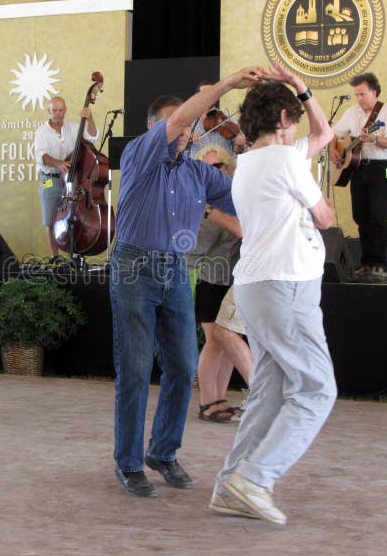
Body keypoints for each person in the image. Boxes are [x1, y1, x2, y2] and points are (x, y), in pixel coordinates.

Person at [110, 67, 261, 498]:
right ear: (155, 128)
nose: (187, 128)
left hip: (174, 269)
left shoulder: (198, 173)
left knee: (180, 365)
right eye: (178, 122)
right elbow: (180, 120)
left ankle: (163, 452)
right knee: (136, 370)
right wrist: (227, 84)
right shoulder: (141, 153)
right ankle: (129, 462)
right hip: (134, 267)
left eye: (189, 123)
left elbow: (245, 196)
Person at [209, 62, 337, 525]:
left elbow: (323, 132)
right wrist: (322, 205)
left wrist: (301, 89)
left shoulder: (250, 162)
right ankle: (256, 478)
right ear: (283, 121)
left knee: (269, 391)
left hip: (259, 287)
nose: (300, 125)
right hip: (286, 286)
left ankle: (230, 485)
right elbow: (325, 218)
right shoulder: (285, 159)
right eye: (294, 117)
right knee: (317, 389)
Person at [186, 146, 251, 423]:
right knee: (214, 340)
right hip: (210, 277)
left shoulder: (232, 198)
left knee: (225, 342)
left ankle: (220, 397)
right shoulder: (201, 203)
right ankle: (206, 401)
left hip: (233, 277)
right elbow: (237, 231)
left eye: (220, 166)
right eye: (209, 168)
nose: (217, 171)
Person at [330, 72, 387, 281]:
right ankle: (366, 263)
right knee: (361, 216)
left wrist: (373, 138)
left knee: (378, 215)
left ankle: (378, 264)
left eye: (362, 94)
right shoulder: (352, 112)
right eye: (357, 95)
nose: (359, 99)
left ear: (374, 92)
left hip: (381, 169)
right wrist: (334, 149)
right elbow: (334, 133)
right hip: (358, 169)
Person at [33, 97, 98, 259]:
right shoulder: (41, 132)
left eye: (61, 110)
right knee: (50, 220)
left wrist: (90, 119)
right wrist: (58, 163)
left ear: (65, 110)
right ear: (49, 111)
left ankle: (74, 257)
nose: (58, 113)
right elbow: (41, 156)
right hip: (51, 180)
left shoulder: (73, 128)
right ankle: (55, 258)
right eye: (54, 110)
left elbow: (92, 137)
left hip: (72, 181)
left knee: (74, 218)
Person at [187, 81, 247, 160]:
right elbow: (179, 149)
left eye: (213, 93)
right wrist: (186, 136)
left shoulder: (228, 120)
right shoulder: (188, 122)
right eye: (205, 93)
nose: (210, 96)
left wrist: (240, 145)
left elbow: (238, 153)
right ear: (198, 96)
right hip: (198, 169)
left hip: (223, 169)